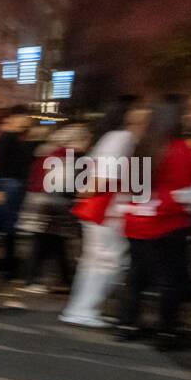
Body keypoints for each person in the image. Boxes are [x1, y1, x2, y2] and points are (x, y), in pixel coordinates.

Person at [116, 100, 191, 349]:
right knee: (169, 280)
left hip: (136, 221)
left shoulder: (141, 146)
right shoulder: (179, 148)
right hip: (167, 223)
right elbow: (184, 190)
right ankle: (167, 331)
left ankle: (127, 324)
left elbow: (131, 187)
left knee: (136, 275)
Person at [60, 99, 144, 327]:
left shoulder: (113, 137)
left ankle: (82, 308)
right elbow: (103, 176)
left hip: (102, 210)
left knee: (95, 261)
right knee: (106, 262)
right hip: (105, 211)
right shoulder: (122, 139)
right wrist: (88, 191)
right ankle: (85, 309)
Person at [18, 122, 88, 293]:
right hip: (50, 207)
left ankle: (63, 280)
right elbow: (61, 185)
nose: (88, 143)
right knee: (44, 244)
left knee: (54, 244)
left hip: (43, 204)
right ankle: (32, 280)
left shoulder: (49, 151)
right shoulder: (65, 156)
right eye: (85, 139)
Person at [0, 106, 37, 280]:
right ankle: (8, 266)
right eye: (24, 117)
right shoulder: (7, 137)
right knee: (6, 226)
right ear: (15, 118)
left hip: (15, 186)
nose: (27, 121)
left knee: (6, 226)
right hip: (8, 185)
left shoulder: (20, 138)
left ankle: (9, 265)